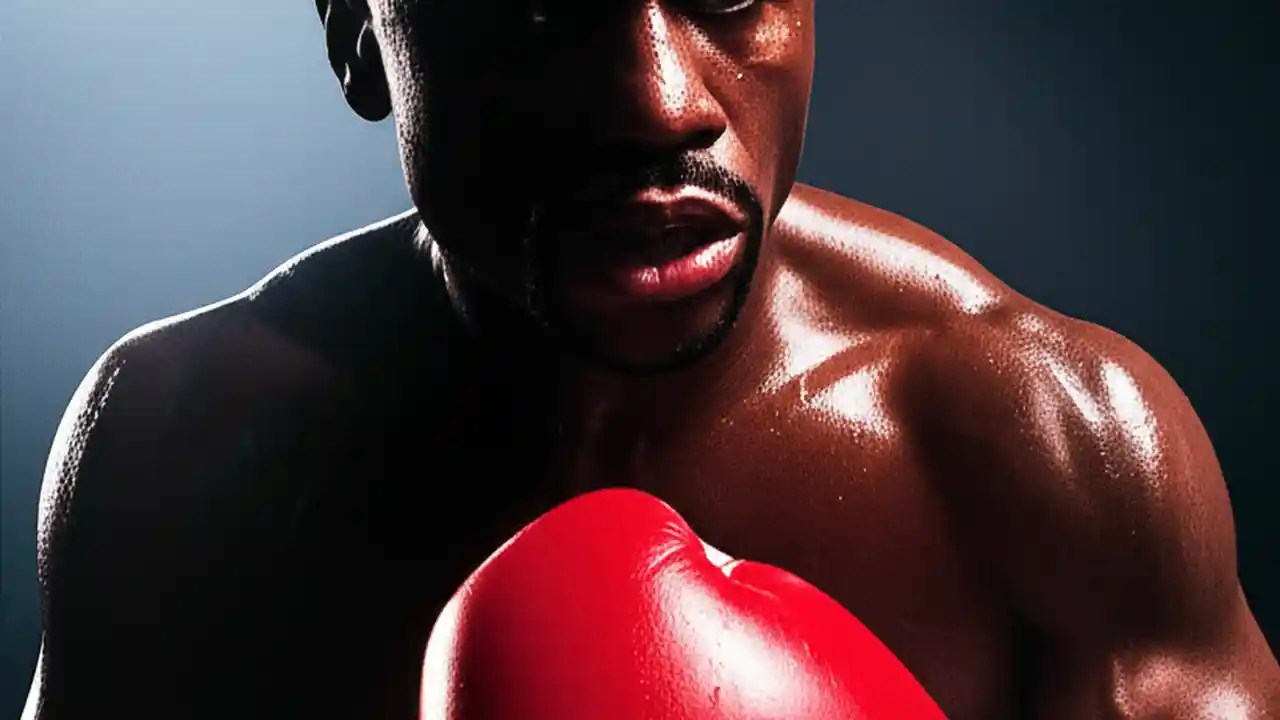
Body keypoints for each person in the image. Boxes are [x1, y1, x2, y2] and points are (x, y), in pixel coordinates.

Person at [22, 0, 1280, 718]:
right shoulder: (176, 462)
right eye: (535, 5)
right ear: (358, 31)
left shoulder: (1058, 457)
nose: (658, 97)